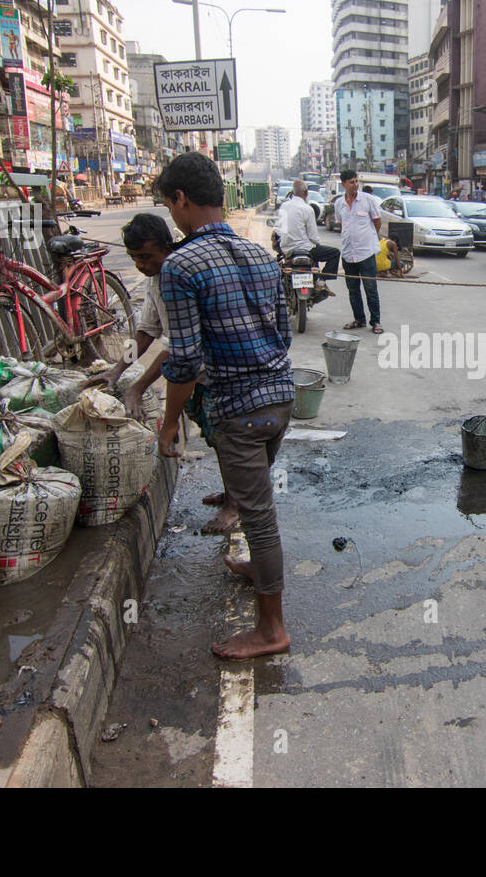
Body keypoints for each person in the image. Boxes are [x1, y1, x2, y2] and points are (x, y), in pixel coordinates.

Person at [154, 151, 294, 659]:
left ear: (182, 199)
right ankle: (261, 570)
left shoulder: (180, 265)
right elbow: (282, 333)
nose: (172, 215)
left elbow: (185, 360)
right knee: (259, 511)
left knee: (258, 517)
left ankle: (271, 630)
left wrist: (170, 422)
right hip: (280, 401)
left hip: (238, 411)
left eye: (170, 204)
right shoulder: (261, 256)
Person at [82, 213, 186, 420]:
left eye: (145, 257)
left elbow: (178, 348)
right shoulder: (155, 277)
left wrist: (138, 388)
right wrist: (117, 370)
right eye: (134, 257)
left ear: (166, 249)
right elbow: (146, 332)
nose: (139, 264)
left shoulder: (179, 279)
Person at [335, 169, 384, 334]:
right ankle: (359, 319)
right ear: (343, 184)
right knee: (353, 289)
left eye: (356, 181)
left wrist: (368, 238)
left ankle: (376, 321)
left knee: (370, 288)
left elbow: (377, 222)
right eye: (351, 182)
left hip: (366, 253)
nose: (355, 185)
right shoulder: (339, 204)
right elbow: (341, 225)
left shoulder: (367, 200)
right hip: (348, 253)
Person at [277, 179, 339, 292]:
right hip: (305, 249)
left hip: (287, 249)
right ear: (306, 193)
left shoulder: (284, 207)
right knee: (335, 253)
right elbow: (313, 236)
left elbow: (280, 229)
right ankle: (321, 281)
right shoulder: (307, 209)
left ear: (293, 192)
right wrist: (318, 244)